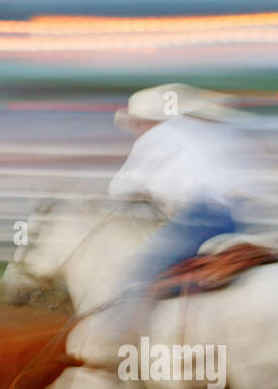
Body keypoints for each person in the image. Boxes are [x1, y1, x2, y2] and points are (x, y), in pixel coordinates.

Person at [106, 83, 260, 334]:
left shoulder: (155, 137)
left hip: (198, 218)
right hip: (234, 218)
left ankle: (117, 337)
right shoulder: (208, 134)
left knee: (138, 271)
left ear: (144, 121)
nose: (135, 130)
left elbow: (120, 188)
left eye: (136, 124)